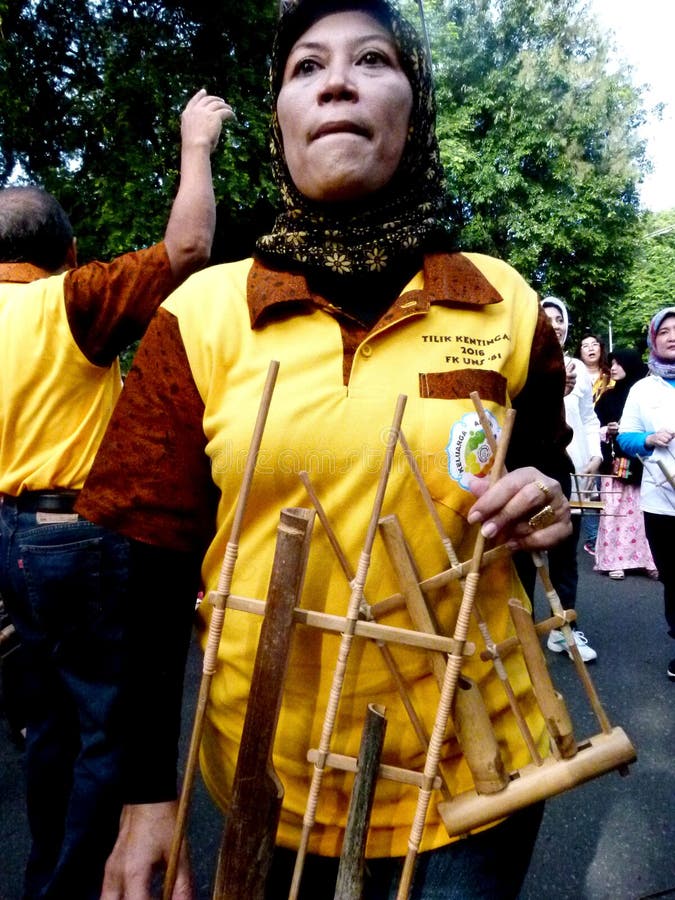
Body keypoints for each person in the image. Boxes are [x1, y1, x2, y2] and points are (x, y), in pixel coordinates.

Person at [77, 2, 573, 897]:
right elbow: (141, 577)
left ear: (412, 109)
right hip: (276, 785)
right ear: (279, 120)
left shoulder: (501, 300)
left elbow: (549, 474)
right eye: (306, 67)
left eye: (370, 59)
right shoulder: (204, 314)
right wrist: (145, 801)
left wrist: (547, 497)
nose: (336, 80)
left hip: (482, 769)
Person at [0, 89, 232, 899]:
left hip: (6, 548)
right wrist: (194, 141)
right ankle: (79, 885)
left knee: (46, 727)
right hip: (74, 534)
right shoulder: (71, 300)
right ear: (67, 251)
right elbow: (189, 244)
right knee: (107, 727)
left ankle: (42, 876)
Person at [538, 297, 599, 662]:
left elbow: (588, 417)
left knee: (565, 551)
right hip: (532, 468)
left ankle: (564, 628)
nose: (555, 324)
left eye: (559, 318)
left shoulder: (577, 367)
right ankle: (517, 628)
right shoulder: (523, 363)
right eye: (546, 318)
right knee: (523, 550)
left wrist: (594, 455)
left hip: (573, 470)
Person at [618, 308, 675, 682]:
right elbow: (624, 438)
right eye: (665, 331)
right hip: (661, 500)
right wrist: (649, 440)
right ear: (653, 340)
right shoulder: (642, 388)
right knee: (674, 576)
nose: (672, 336)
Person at [594, 349, 656, 580]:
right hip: (616, 464)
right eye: (612, 363)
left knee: (645, 512)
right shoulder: (608, 397)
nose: (614, 368)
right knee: (614, 512)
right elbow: (594, 426)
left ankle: (649, 560)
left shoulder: (645, 396)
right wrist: (607, 431)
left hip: (644, 463)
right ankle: (614, 560)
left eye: (620, 363)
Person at [576, 332, 612, 554]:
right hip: (581, 439)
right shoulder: (572, 372)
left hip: (608, 441)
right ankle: (592, 538)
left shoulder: (611, 376)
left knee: (601, 491)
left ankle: (608, 539)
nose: (590, 348)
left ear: (601, 348)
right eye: (584, 345)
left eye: (594, 344)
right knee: (587, 491)